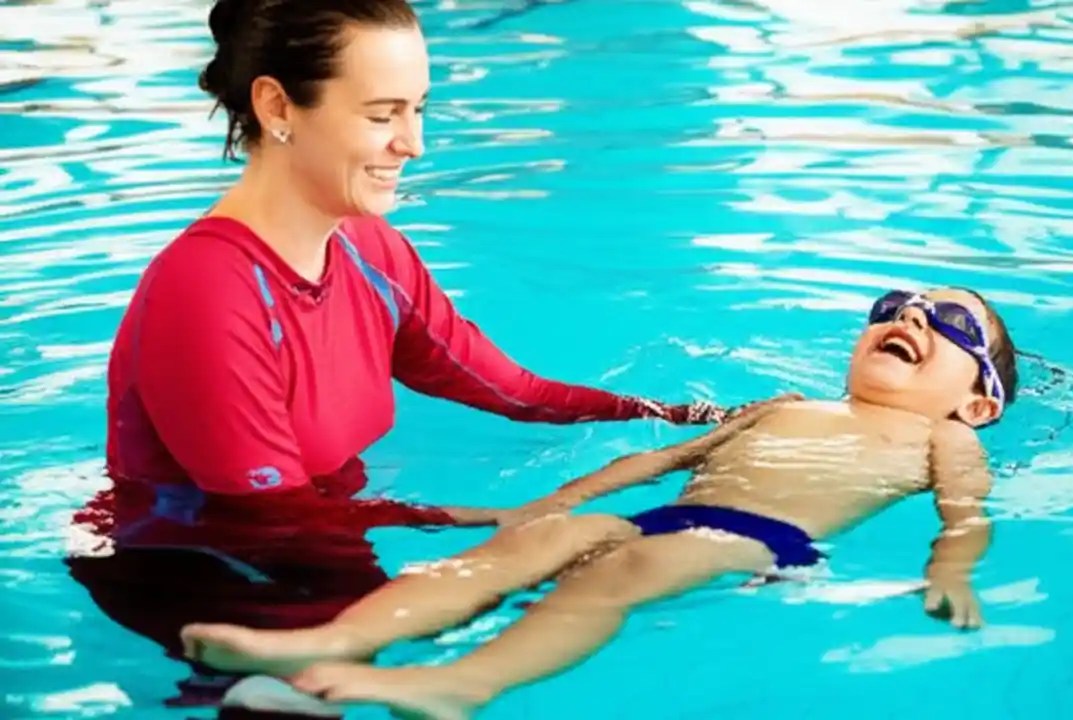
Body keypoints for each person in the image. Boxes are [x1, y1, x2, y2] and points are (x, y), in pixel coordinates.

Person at [68, 0, 728, 708]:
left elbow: (512, 389)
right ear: (276, 106)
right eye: (383, 114)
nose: (413, 143)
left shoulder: (368, 250)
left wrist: (684, 415)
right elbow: (270, 517)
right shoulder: (207, 290)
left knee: (588, 567)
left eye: (419, 110)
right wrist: (475, 524)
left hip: (322, 544)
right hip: (207, 577)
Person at [179, 287, 1020, 719]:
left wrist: (953, 571)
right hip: (668, 513)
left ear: (976, 402)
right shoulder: (786, 405)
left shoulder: (945, 439)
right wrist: (550, 502)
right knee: (532, 548)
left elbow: (964, 509)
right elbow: (658, 458)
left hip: (764, 540)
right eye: (892, 307)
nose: (909, 313)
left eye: (947, 319)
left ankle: (459, 686)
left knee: (633, 566)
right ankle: (331, 642)